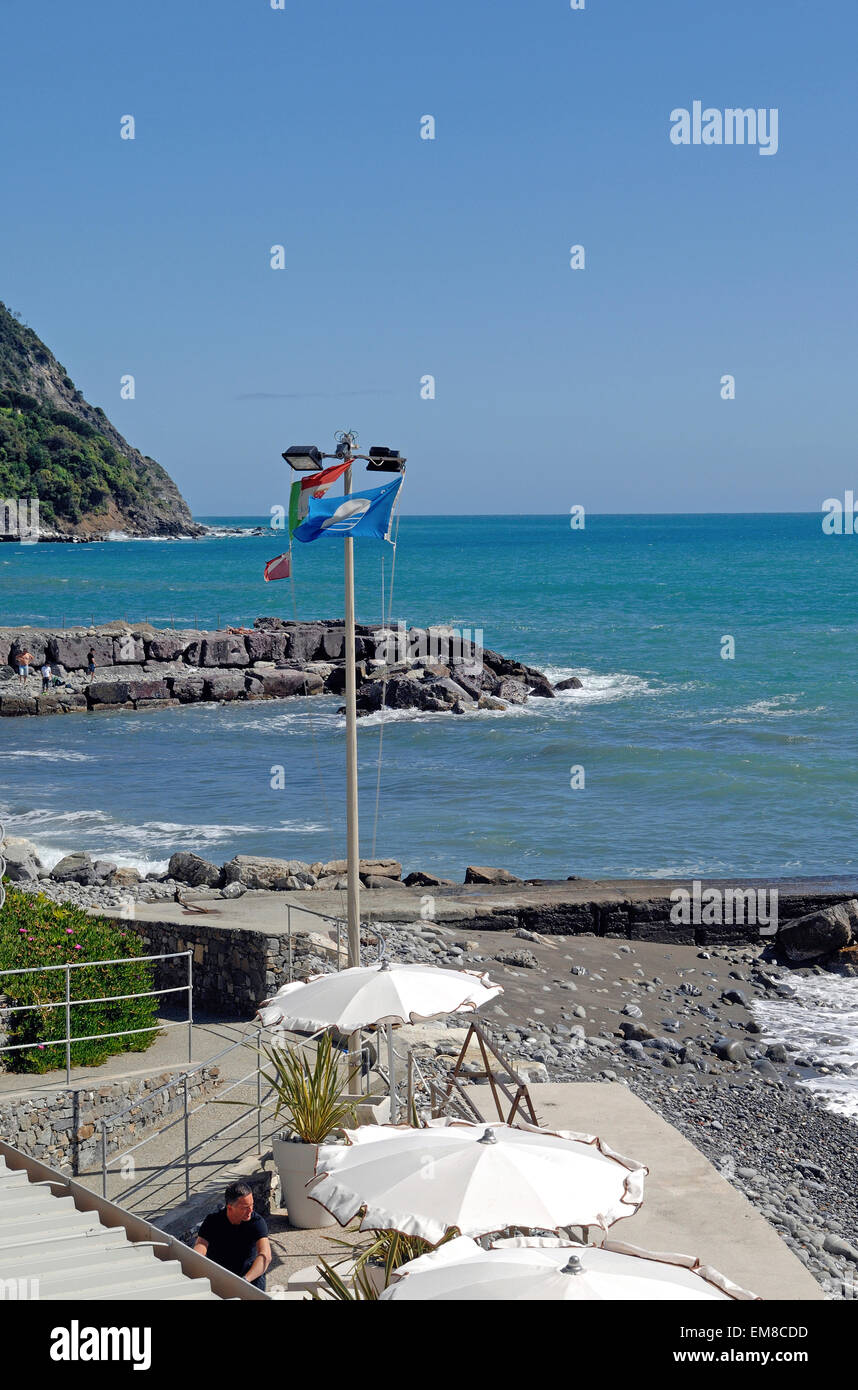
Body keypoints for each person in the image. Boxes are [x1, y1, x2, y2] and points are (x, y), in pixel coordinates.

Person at [193, 1181, 271, 1289]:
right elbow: (201, 1246)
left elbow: (265, 1255)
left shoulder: (256, 1222)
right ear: (230, 1208)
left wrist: (245, 1280)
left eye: (252, 1205)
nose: (250, 1210)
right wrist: (195, 1258)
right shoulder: (213, 1221)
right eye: (245, 1207)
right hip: (220, 1277)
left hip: (249, 1278)